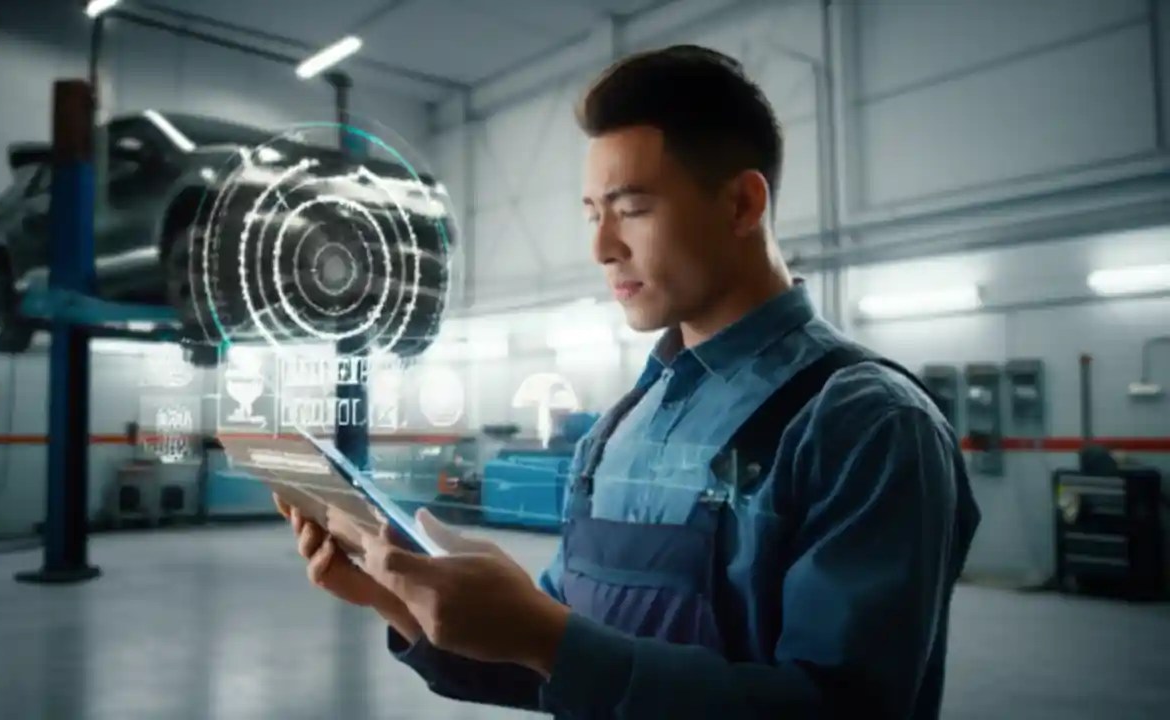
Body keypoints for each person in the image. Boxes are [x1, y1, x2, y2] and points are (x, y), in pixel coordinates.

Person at [275, 44, 981, 719]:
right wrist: (396, 595)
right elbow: (557, 669)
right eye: (593, 214)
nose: (601, 247)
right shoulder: (618, 430)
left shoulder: (866, 425)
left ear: (742, 205)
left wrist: (547, 637)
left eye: (633, 209)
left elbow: (839, 708)